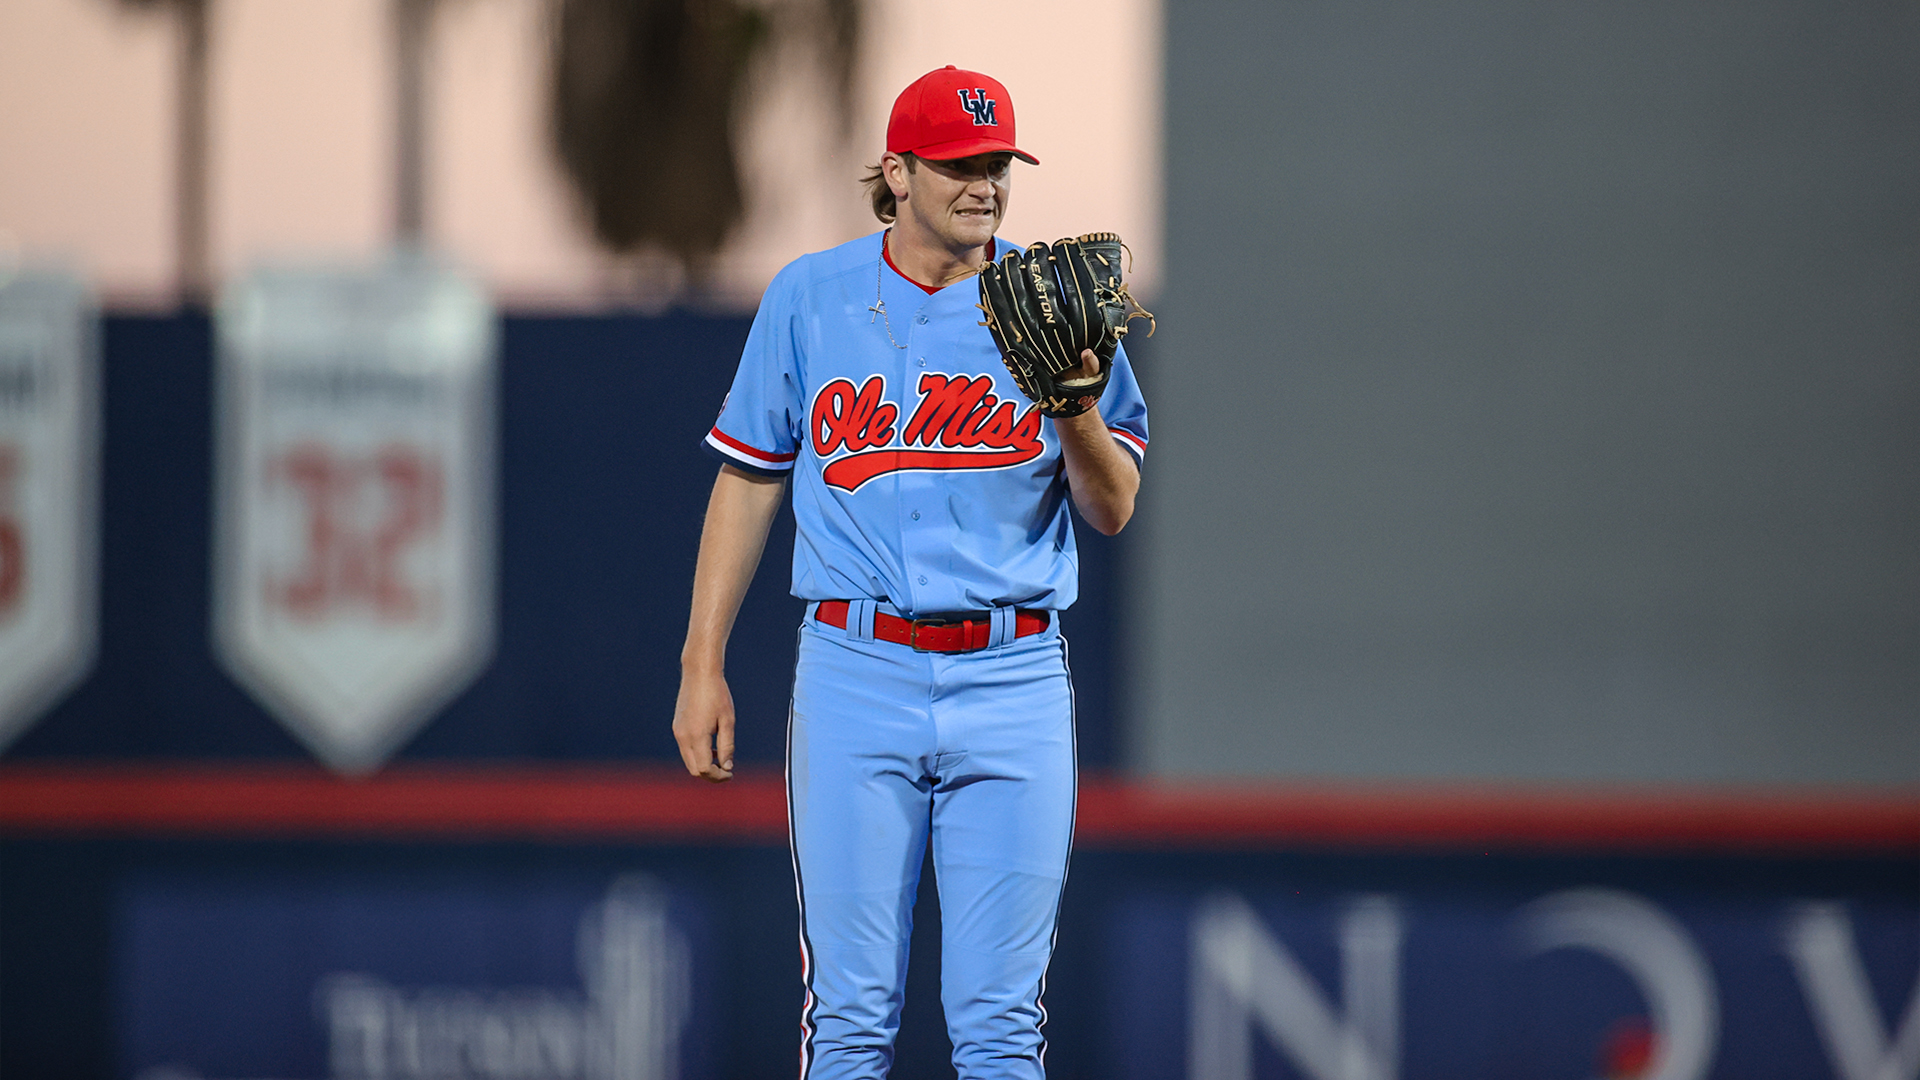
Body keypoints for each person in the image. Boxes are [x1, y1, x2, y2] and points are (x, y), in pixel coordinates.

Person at [671, 65, 1149, 1080]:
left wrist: (1073, 407)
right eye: (958, 163)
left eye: (997, 163)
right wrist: (700, 661)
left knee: (1001, 1029)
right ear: (896, 171)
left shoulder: (1055, 300)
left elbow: (1113, 506)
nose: (984, 184)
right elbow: (749, 481)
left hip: (1012, 677)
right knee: (846, 1023)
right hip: (855, 671)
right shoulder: (811, 296)